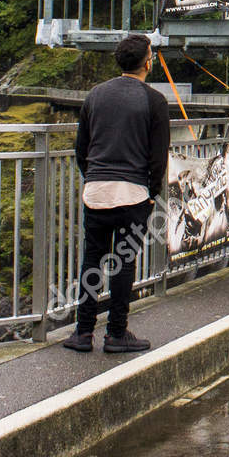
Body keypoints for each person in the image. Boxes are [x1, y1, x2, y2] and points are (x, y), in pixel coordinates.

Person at [65, 33, 170, 354]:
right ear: (147, 63)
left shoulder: (95, 96)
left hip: (96, 191)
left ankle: (82, 333)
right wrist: (152, 192)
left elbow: (81, 148)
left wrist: (92, 178)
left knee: (92, 259)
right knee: (124, 262)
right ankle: (116, 333)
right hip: (133, 194)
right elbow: (158, 155)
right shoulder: (154, 101)